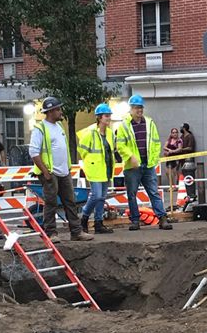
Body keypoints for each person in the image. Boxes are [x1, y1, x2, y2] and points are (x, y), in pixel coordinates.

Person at [28, 97, 91, 241]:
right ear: (50, 111)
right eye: (58, 109)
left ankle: (76, 232)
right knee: (51, 203)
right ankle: (51, 233)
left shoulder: (59, 127)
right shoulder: (40, 129)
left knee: (70, 202)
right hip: (50, 173)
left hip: (64, 171)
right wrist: (45, 172)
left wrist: (67, 169)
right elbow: (33, 152)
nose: (60, 112)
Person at [113, 94, 171, 231]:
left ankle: (162, 218)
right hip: (132, 166)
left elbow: (156, 143)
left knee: (153, 192)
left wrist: (154, 158)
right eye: (137, 108)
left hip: (148, 164)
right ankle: (135, 220)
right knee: (132, 194)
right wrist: (131, 157)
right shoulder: (124, 126)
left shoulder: (149, 123)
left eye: (141, 108)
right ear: (131, 109)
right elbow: (120, 145)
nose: (139, 110)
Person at [77, 104, 116, 234]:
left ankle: (98, 223)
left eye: (109, 115)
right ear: (99, 118)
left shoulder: (110, 133)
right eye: (106, 116)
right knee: (96, 195)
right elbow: (82, 150)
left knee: (102, 197)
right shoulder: (90, 132)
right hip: (94, 169)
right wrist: (91, 162)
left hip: (106, 168)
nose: (109, 118)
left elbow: (110, 151)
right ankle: (85, 217)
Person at [162, 127, 185, 210]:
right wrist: (168, 150)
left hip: (175, 157)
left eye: (176, 132)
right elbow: (164, 147)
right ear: (171, 133)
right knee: (167, 172)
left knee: (174, 172)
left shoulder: (179, 141)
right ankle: (170, 185)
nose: (175, 134)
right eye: (173, 132)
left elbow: (180, 149)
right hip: (169, 157)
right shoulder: (169, 140)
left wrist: (173, 151)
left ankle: (174, 185)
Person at [178, 123, 198, 206]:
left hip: (189, 160)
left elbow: (190, 148)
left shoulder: (190, 136)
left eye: (181, 128)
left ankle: (192, 194)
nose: (180, 129)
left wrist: (181, 149)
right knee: (185, 177)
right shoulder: (182, 137)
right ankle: (188, 194)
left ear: (184, 128)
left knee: (189, 178)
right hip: (182, 160)